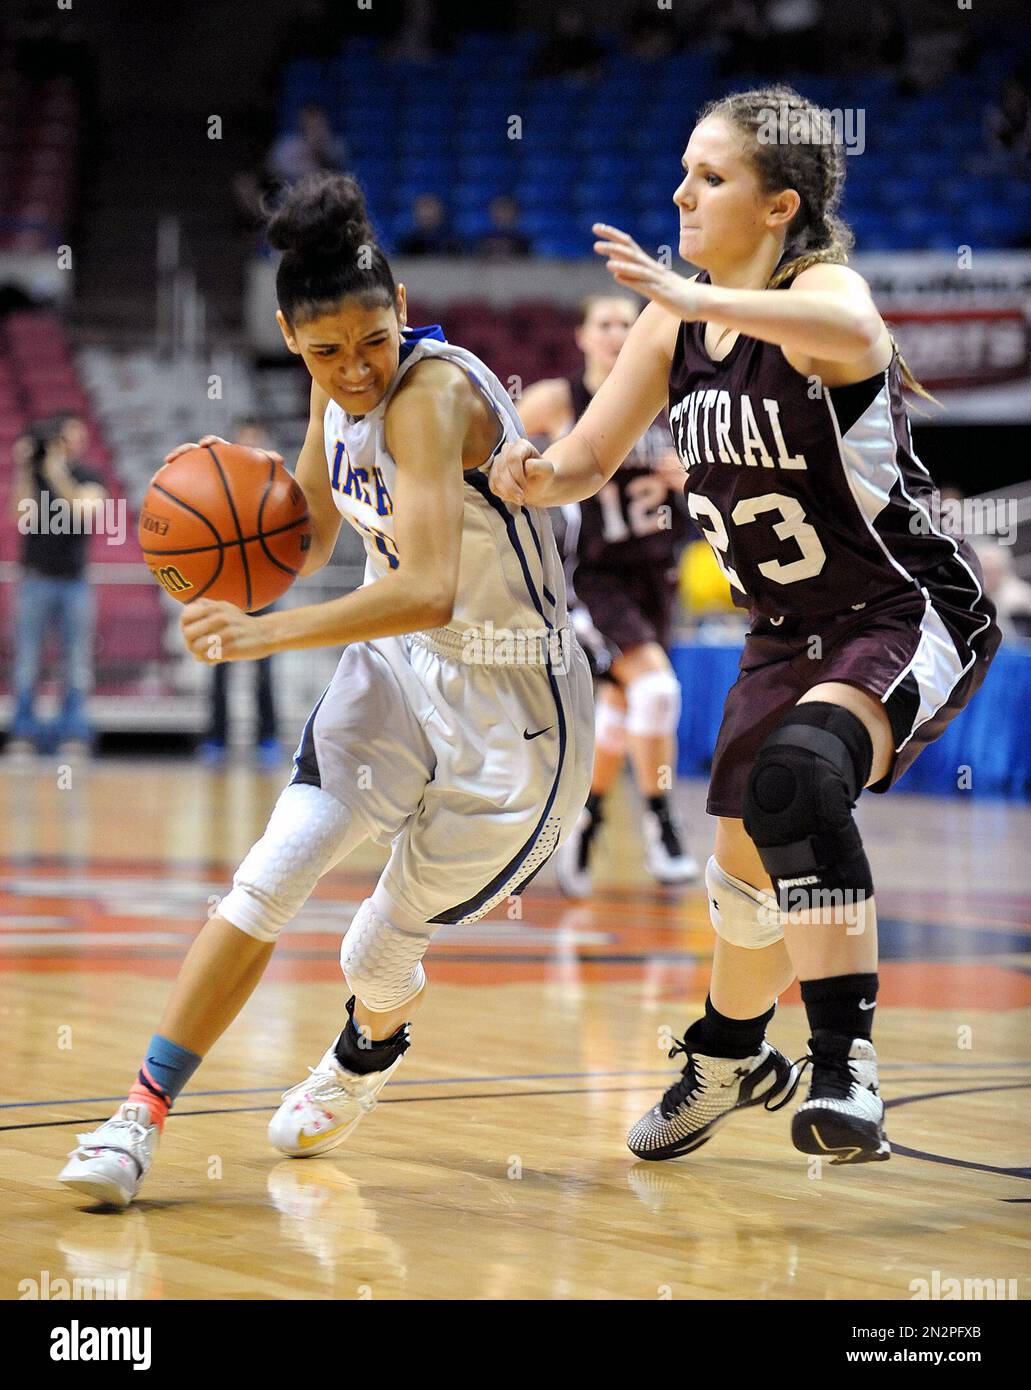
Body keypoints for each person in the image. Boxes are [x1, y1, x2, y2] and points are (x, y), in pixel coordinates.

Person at [58, 172, 593, 1208]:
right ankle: (137, 1116)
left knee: (373, 947)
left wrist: (265, 634)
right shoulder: (331, 381)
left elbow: (430, 588)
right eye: (324, 351)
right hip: (399, 677)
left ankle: (364, 1049)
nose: (352, 369)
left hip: (515, 711)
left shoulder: (432, 395)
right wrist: (215, 547)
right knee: (269, 875)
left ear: (399, 312)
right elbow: (303, 533)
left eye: (369, 342)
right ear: (289, 337)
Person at [489, 86, 1002, 1166]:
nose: (679, 191)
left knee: (799, 783)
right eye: (682, 171)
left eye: (708, 177)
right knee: (740, 885)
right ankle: (727, 1050)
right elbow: (584, 459)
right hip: (780, 634)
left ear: (777, 207)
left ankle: (842, 1070)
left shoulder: (819, 290)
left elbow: (854, 330)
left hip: (898, 605)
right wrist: (524, 476)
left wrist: (688, 291)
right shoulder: (675, 320)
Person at [518, 294, 698, 894]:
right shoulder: (560, 399)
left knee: (621, 718)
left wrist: (694, 476)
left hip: (656, 576)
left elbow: (721, 477)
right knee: (658, 690)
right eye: (606, 323)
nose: (618, 332)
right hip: (592, 578)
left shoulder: (672, 398)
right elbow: (496, 454)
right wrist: (544, 466)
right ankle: (663, 823)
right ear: (583, 335)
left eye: (628, 322)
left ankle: (587, 821)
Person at [7, 413, 106, 760]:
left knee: (76, 663)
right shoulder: (36, 476)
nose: (73, 444)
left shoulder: (89, 475)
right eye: (67, 437)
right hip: (35, 580)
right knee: (26, 661)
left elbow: (84, 509)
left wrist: (56, 472)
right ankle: (23, 733)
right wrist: (24, 469)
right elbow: (19, 515)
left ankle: (73, 733)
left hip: (74, 582)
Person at [197, 419, 283, 770]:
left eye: (256, 443)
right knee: (218, 666)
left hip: (264, 587)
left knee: (264, 667)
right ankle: (216, 737)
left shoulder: (277, 490)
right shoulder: (219, 487)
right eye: (244, 443)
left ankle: (267, 738)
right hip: (223, 589)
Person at [396, 193, 462, 258]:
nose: (426, 214)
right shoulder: (408, 244)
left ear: (440, 212)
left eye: (430, 208)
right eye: (422, 210)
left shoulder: (451, 242)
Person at [475, 195, 532, 260]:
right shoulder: (483, 240)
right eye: (500, 211)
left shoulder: (522, 241)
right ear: (492, 214)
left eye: (507, 211)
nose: (503, 215)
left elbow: (526, 263)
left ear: (515, 214)